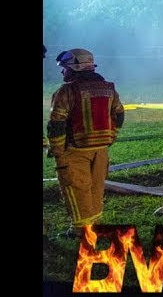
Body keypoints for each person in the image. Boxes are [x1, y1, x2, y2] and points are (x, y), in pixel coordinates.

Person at [47, 48, 126, 239]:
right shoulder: (108, 88)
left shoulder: (66, 91)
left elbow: (56, 123)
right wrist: (111, 137)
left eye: (64, 68)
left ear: (75, 68)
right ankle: (94, 228)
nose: (62, 72)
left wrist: (58, 150)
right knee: (95, 190)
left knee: (77, 191)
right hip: (101, 151)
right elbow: (119, 114)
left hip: (75, 152)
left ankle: (82, 233)